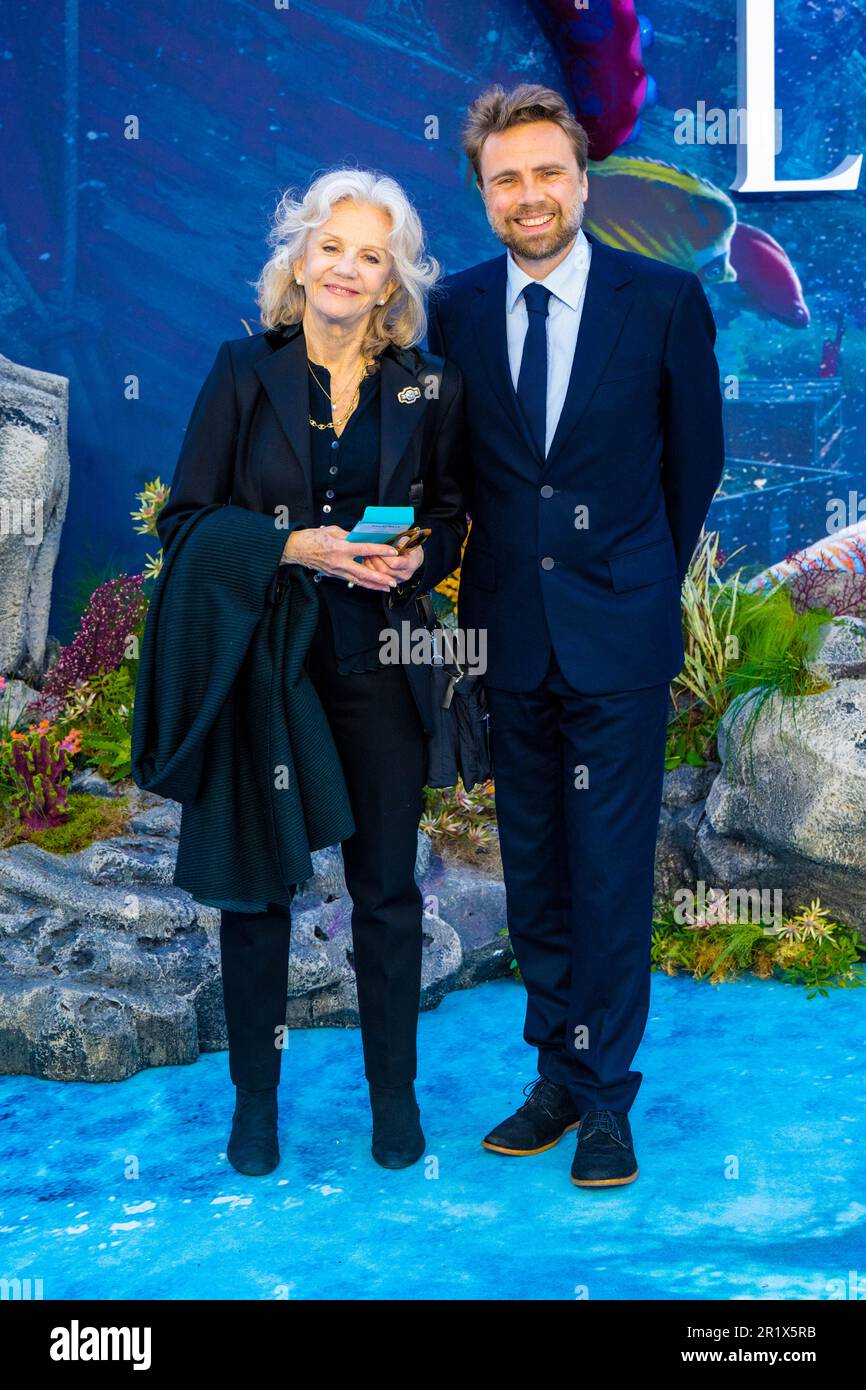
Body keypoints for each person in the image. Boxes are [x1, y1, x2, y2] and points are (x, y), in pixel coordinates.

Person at [427, 83, 725, 1187]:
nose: (529, 194)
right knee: (537, 868)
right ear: (483, 195)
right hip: (506, 634)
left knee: (606, 870)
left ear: (582, 180)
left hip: (617, 635)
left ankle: (605, 1098)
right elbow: (450, 476)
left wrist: (628, 575)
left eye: (546, 172)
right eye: (506, 179)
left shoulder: (660, 300)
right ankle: (553, 1073)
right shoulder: (453, 309)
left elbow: (692, 467)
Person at [156, 168, 466, 1176]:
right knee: (257, 894)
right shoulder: (242, 372)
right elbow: (188, 521)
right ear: (298, 258)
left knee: (386, 892)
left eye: (368, 255)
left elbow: (452, 512)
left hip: (380, 662)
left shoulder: (428, 384)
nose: (344, 266)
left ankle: (393, 1101)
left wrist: (425, 555)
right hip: (269, 665)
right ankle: (254, 1106)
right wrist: (297, 549)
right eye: (329, 245)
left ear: (391, 281)